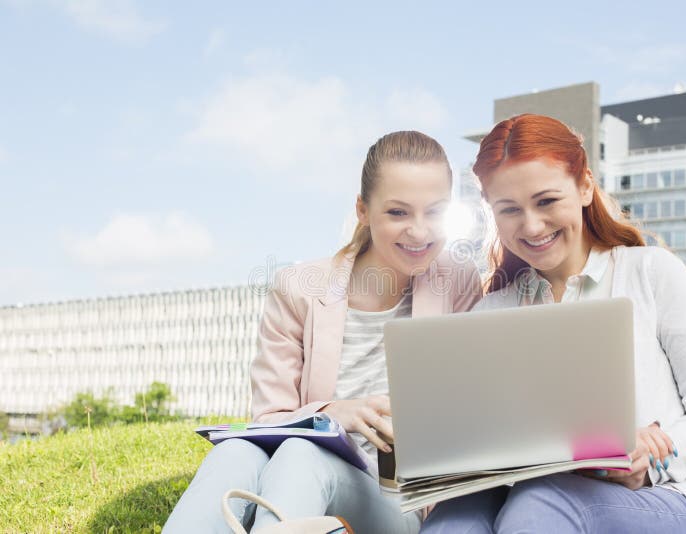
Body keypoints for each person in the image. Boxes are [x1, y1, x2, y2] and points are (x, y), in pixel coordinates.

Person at [419, 114, 686, 534]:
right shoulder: (491, 312)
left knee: (540, 504)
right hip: (529, 492)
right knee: (456, 521)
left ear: (585, 186)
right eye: (509, 210)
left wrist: (652, 460)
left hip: (663, 496)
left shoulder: (649, 273)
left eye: (547, 201)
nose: (531, 225)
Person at [164, 131, 482, 533]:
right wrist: (334, 414)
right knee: (235, 455)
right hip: (297, 478)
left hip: (397, 500)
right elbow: (268, 418)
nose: (419, 232)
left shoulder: (457, 282)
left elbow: (473, 409)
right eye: (398, 213)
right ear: (363, 210)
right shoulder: (299, 287)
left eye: (434, 212)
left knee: (302, 453)